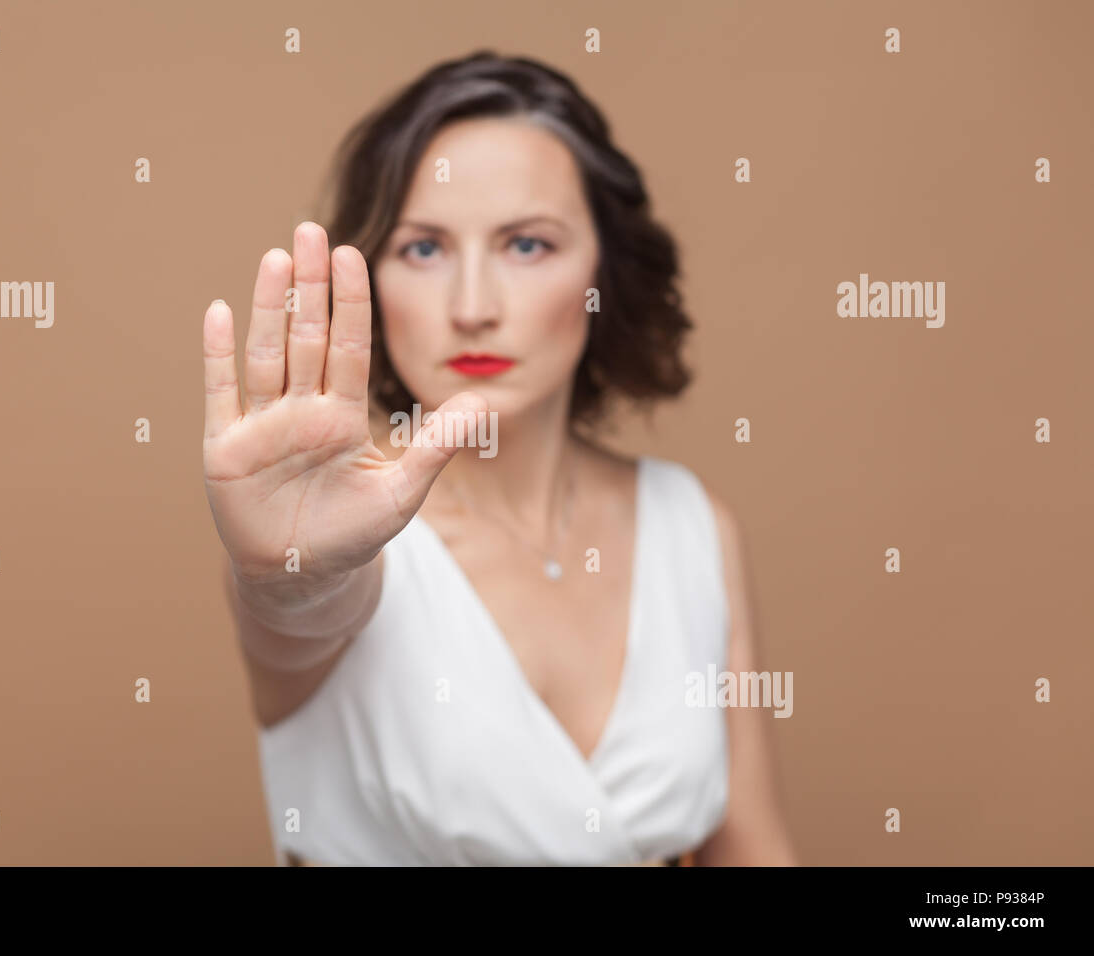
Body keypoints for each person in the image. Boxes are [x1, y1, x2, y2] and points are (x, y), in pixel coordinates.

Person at [202, 51, 797, 866]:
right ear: (369, 277)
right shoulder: (344, 539)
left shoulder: (692, 524)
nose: (473, 308)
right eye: (423, 250)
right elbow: (299, 615)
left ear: (605, 272)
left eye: (526, 245)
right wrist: (287, 573)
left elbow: (753, 851)